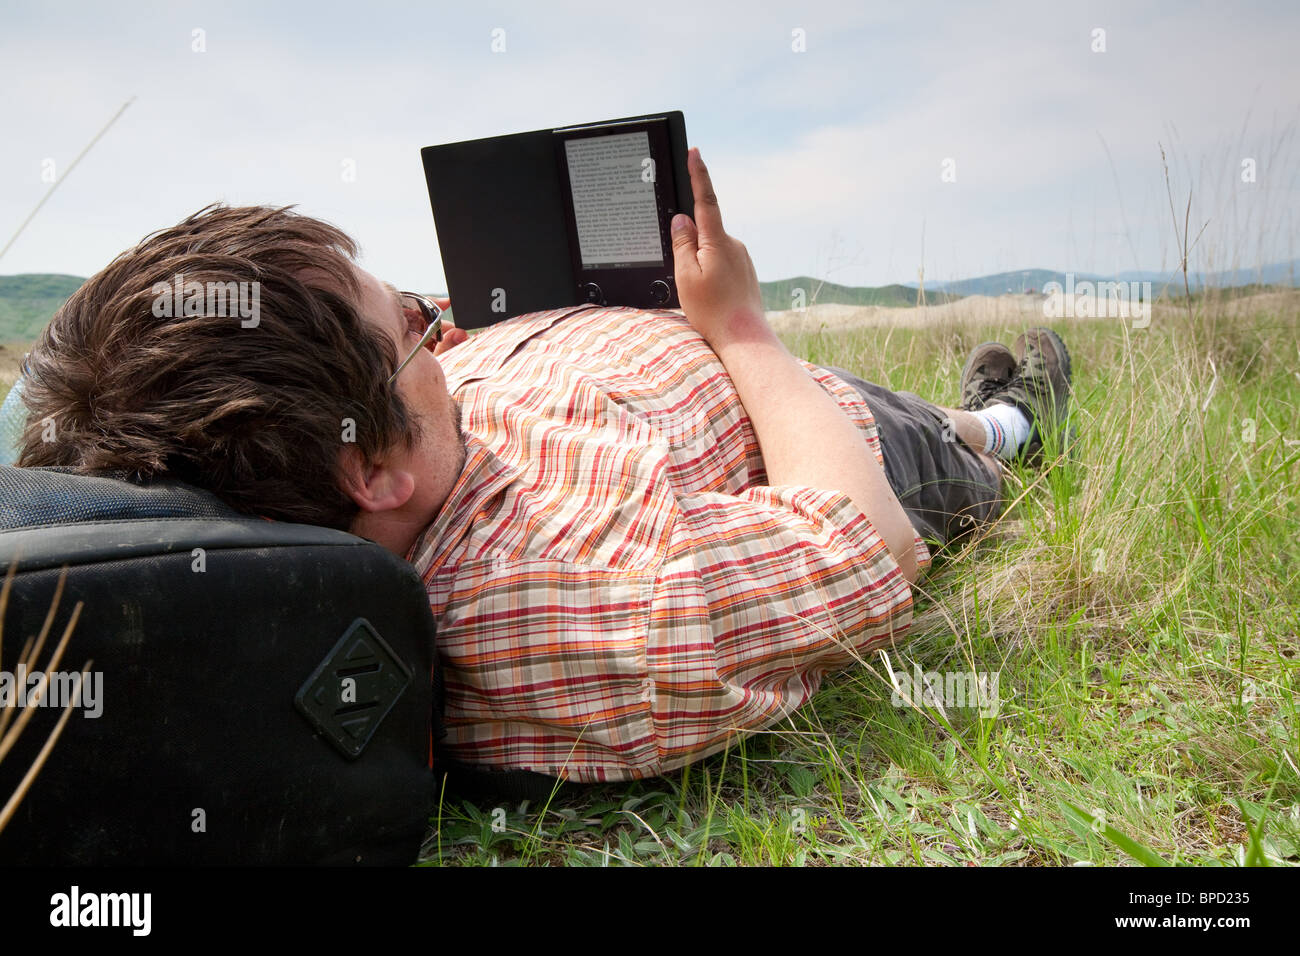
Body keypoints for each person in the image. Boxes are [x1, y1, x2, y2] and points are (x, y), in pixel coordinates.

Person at [12, 149, 1071, 782]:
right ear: (375, 468)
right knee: (945, 441)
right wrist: (744, 329)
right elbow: (867, 541)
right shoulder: (580, 605)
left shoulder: (370, 472)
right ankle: (1013, 422)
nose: (437, 333)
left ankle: (982, 408)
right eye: (418, 325)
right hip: (817, 419)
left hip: (639, 358)